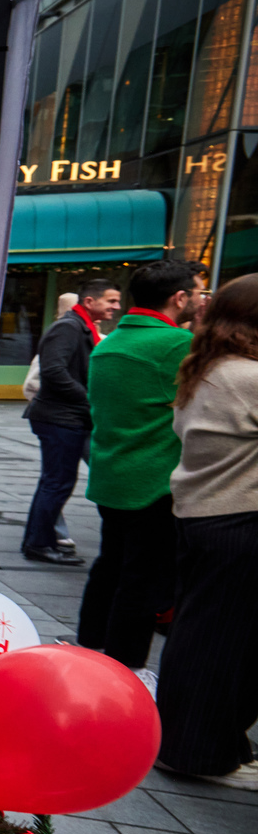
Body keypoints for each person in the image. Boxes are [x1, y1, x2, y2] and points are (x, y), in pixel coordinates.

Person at [152, 274, 258, 789]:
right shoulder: (248, 376)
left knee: (197, 635)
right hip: (240, 521)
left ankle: (183, 740)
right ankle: (197, 749)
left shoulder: (207, 368)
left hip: (200, 516)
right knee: (224, 645)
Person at [78, 259, 208, 673]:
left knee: (110, 565)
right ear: (180, 297)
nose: (204, 300)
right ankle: (124, 668)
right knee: (142, 580)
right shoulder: (175, 346)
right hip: (153, 482)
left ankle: (88, 647)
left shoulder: (110, 343)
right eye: (200, 292)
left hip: (113, 475)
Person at [21, 278, 122, 564]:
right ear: (89, 302)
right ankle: (40, 543)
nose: (116, 306)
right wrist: (90, 400)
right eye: (111, 300)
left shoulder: (80, 327)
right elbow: (53, 371)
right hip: (60, 419)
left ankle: (39, 540)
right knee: (57, 483)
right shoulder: (68, 327)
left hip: (65, 417)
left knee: (54, 482)